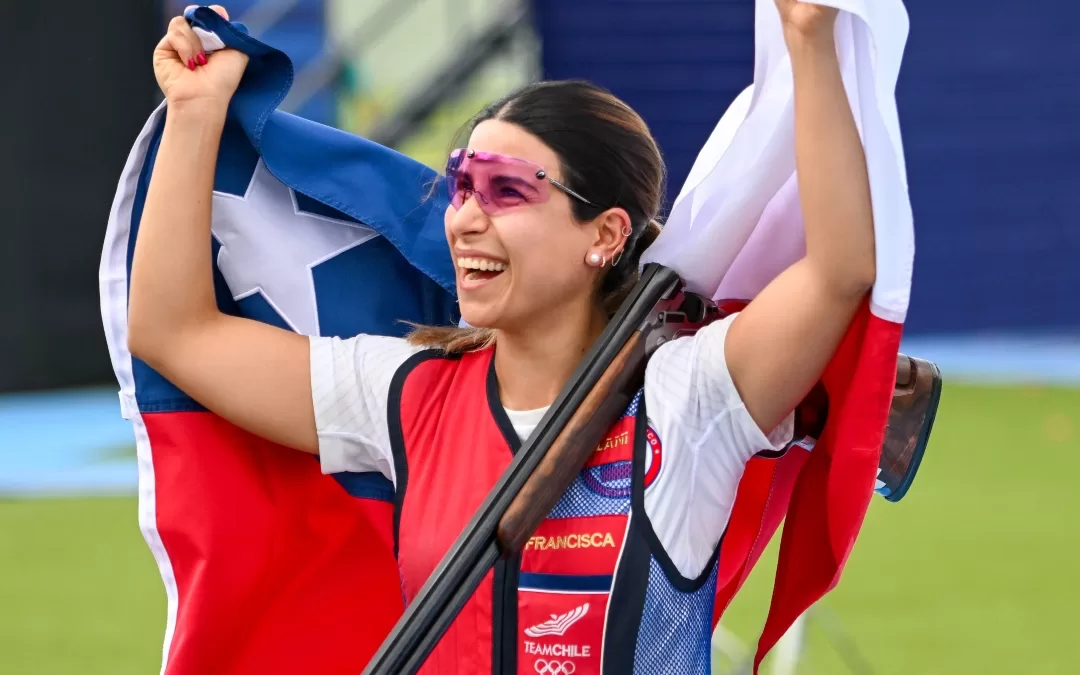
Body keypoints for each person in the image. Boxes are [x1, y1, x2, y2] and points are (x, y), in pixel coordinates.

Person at [128, 2, 877, 672]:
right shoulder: (407, 394)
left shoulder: (690, 394)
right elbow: (173, 332)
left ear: (605, 234)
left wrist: (809, 41)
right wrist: (195, 114)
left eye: (505, 190)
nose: (463, 218)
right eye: (461, 186)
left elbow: (840, 272)